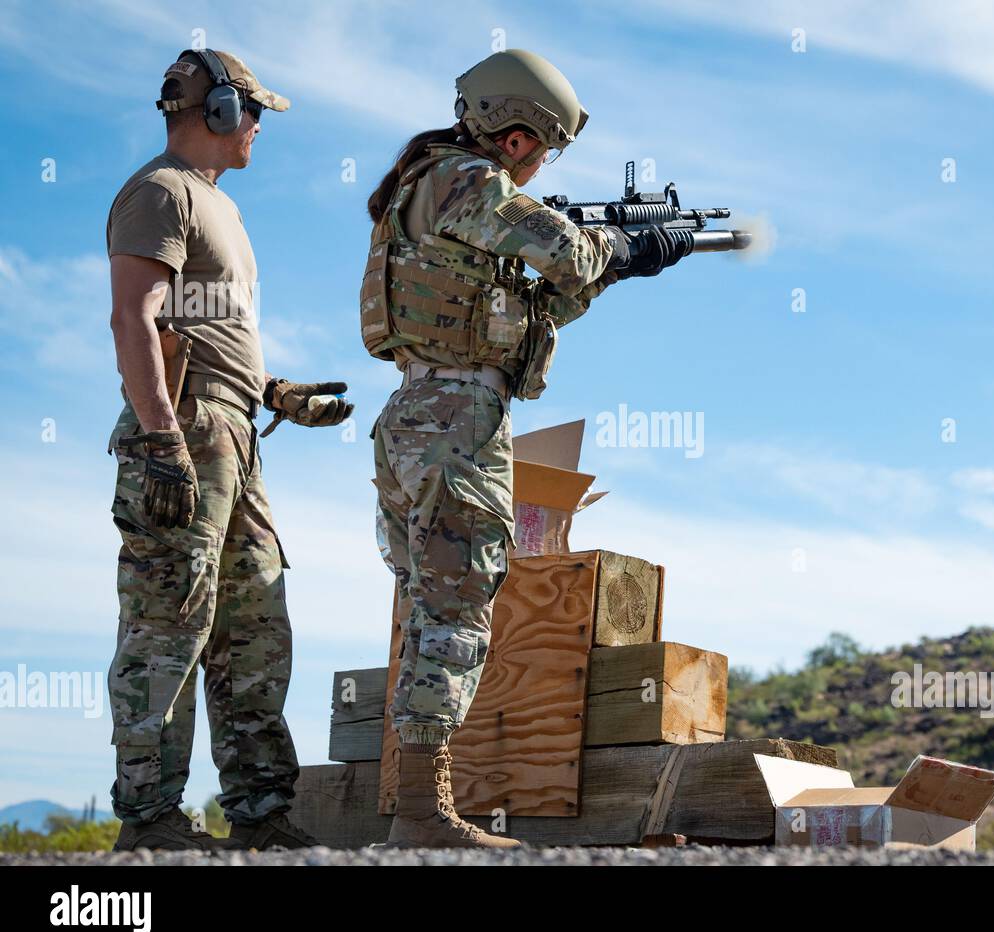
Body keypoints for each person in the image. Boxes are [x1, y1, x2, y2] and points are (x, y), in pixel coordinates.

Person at [362, 48, 689, 848]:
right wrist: (620, 247)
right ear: (515, 137)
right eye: (543, 151)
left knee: (435, 608)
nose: (541, 168)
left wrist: (615, 266)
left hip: (422, 411)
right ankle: (421, 816)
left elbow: (532, 306)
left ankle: (418, 809)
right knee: (455, 614)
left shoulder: (432, 186)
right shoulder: (468, 182)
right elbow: (570, 254)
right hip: (455, 422)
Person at [106, 48, 354, 851]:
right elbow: (133, 322)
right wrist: (161, 440)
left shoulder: (219, 208)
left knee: (254, 625)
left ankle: (261, 815)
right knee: (167, 620)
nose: (257, 128)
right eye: (251, 112)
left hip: (234, 437)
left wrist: (275, 393)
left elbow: (209, 329)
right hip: (183, 434)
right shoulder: (160, 193)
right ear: (215, 110)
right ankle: (150, 823)